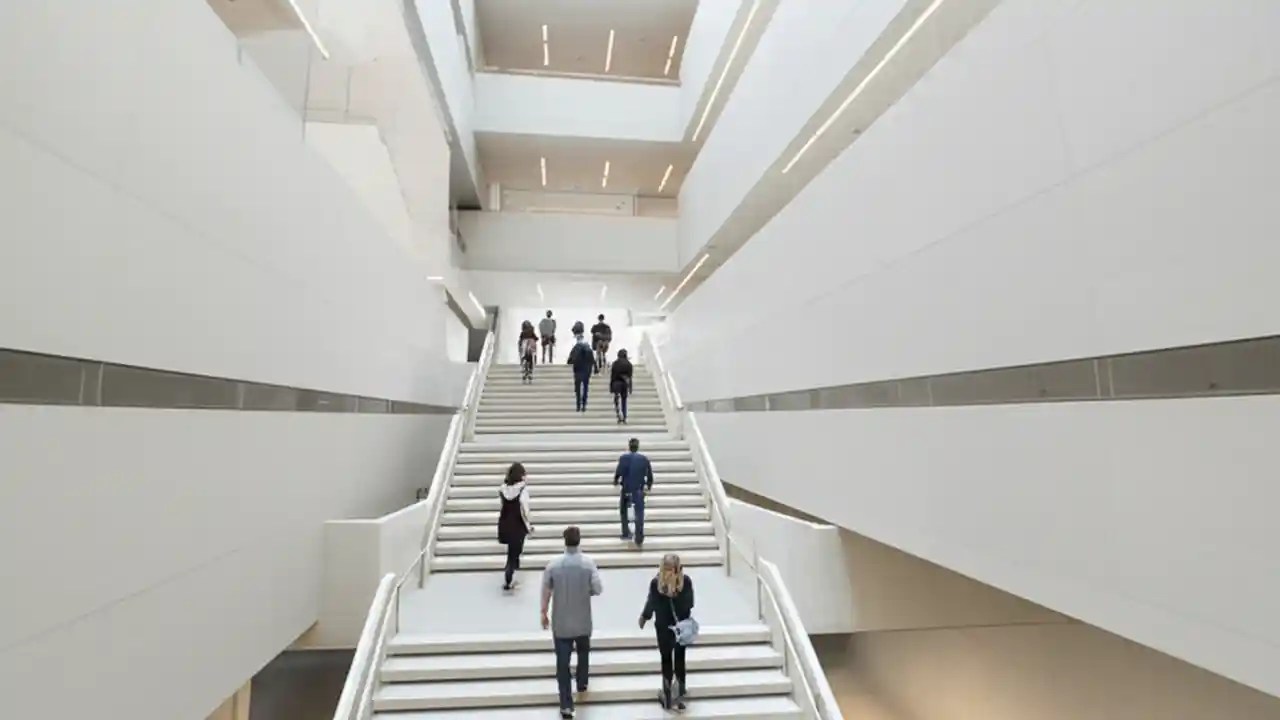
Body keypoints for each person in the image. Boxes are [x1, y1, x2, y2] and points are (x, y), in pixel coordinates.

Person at [541, 526, 603, 719]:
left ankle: (566, 704)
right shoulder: (588, 564)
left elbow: (546, 591)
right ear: (579, 540)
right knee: (583, 652)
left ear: (564, 541)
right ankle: (582, 681)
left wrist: (543, 612)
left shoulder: (553, 565)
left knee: (562, 663)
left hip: (561, 621)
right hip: (583, 618)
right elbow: (598, 588)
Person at [639, 554, 695, 711]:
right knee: (680, 659)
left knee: (665, 659)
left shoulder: (657, 584)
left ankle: (668, 695)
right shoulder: (686, 582)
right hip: (681, 628)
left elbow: (651, 603)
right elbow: (691, 604)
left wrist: (644, 617)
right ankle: (680, 695)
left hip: (663, 627)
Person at [497, 462, 533, 591]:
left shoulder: (503, 489)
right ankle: (510, 575)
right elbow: (524, 509)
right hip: (518, 524)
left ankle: (510, 575)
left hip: (506, 522)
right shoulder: (523, 489)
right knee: (515, 551)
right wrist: (529, 525)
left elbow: (502, 505)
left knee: (511, 551)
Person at [614, 437, 653, 546]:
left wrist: (616, 480)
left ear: (629, 446)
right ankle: (639, 535)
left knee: (624, 511)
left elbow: (619, 471)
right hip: (638, 489)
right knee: (639, 513)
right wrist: (648, 486)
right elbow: (649, 475)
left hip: (626, 488)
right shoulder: (644, 459)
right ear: (638, 446)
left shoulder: (623, 458)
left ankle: (626, 532)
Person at [567, 332, 595, 412]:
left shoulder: (576, 348)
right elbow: (593, 361)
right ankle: (584, 404)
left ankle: (578, 405)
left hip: (578, 371)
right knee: (585, 388)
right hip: (586, 372)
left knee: (578, 389)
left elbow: (570, 360)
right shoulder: (588, 350)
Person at [610, 349, 633, 424]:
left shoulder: (615, 363)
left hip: (617, 383)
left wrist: (611, 386)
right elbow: (630, 377)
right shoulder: (629, 364)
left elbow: (612, 376)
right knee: (624, 400)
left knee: (617, 400)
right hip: (625, 384)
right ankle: (625, 416)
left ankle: (619, 415)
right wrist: (630, 387)